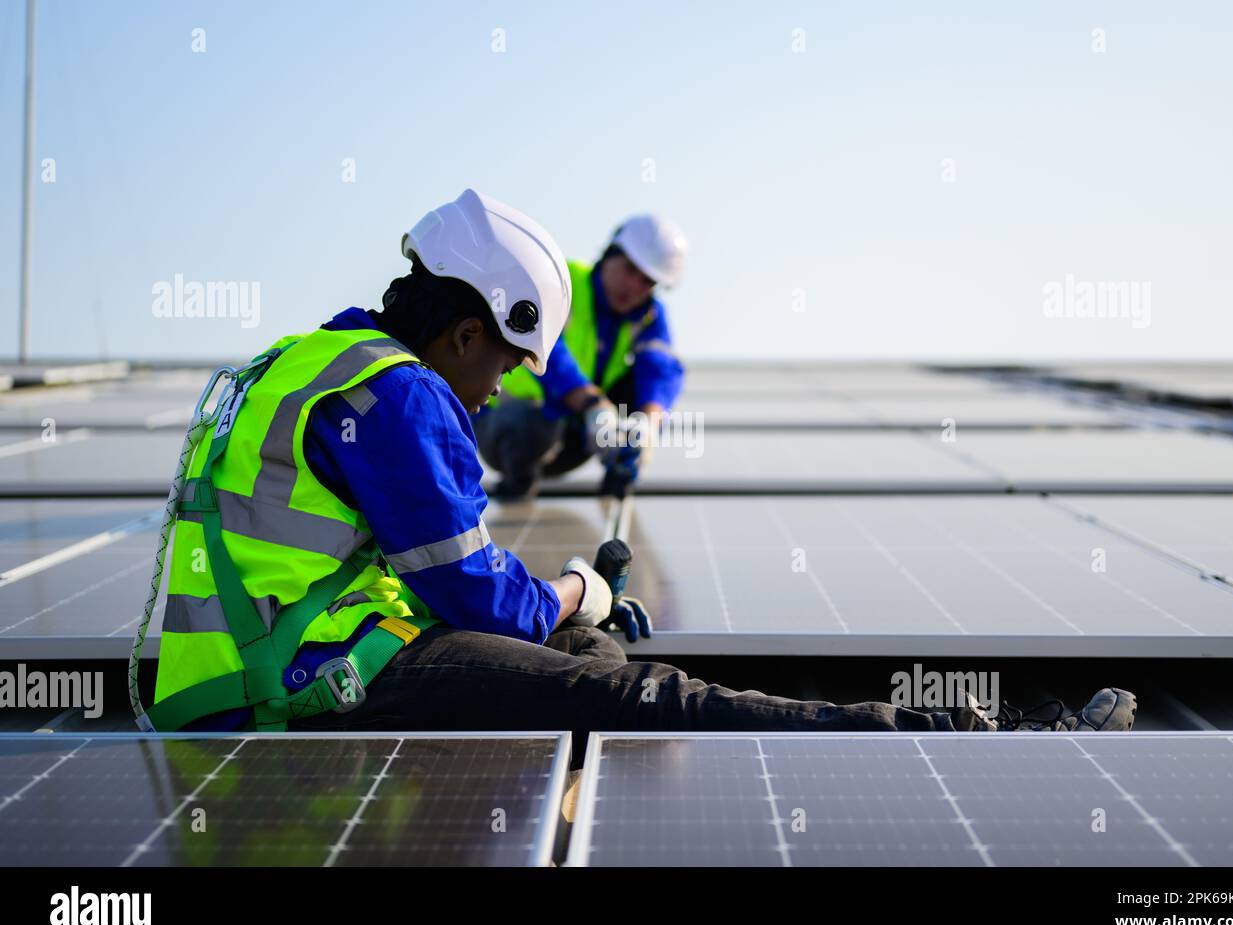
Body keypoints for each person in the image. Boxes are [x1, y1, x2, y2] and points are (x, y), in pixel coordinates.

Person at [144, 187, 1137, 740]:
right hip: (290, 684)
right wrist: (576, 585)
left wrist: (577, 608)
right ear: (459, 331)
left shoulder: (305, 358)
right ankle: (978, 738)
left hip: (252, 665)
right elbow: (472, 598)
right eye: (505, 361)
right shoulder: (398, 393)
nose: (497, 389)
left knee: (586, 657)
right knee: (634, 692)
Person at [473, 214, 688, 500]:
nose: (634, 286)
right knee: (528, 425)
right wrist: (593, 404)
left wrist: (648, 424)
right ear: (611, 254)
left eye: (647, 281)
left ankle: (621, 469)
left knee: (643, 394)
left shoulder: (649, 316)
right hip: (511, 427)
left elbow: (661, 369)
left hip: (578, 434)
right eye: (630, 269)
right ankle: (518, 485)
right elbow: (548, 349)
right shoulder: (563, 283)